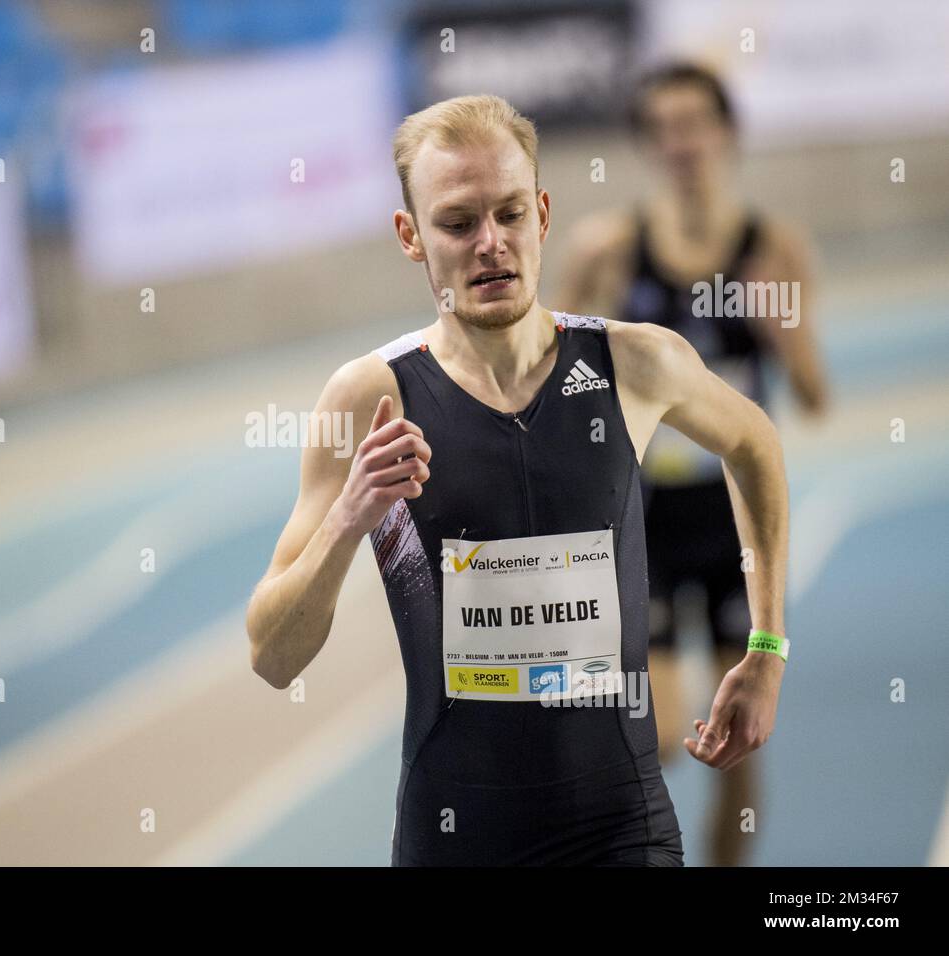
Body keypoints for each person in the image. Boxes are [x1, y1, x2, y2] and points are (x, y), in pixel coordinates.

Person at [245, 93, 789, 866]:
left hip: (623, 831)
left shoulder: (632, 363)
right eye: (458, 223)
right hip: (457, 833)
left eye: (507, 214)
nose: (490, 244)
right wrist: (348, 520)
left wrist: (766, 648)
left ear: (541, 213)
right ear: (411, 236)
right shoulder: (372, 398)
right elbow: (273, 656)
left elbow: (756, 443)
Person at [556, 62, 828, 866]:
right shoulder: (607, 251)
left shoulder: (775, 248)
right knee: (667, 739)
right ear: (647, 145)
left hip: (740, 526)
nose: (683, 144)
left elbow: (812, 396)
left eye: (696, 124)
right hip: (645, 524)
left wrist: (781, 329)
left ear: (726, 133)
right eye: (664, 128)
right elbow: (559, 385)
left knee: (741, 741)